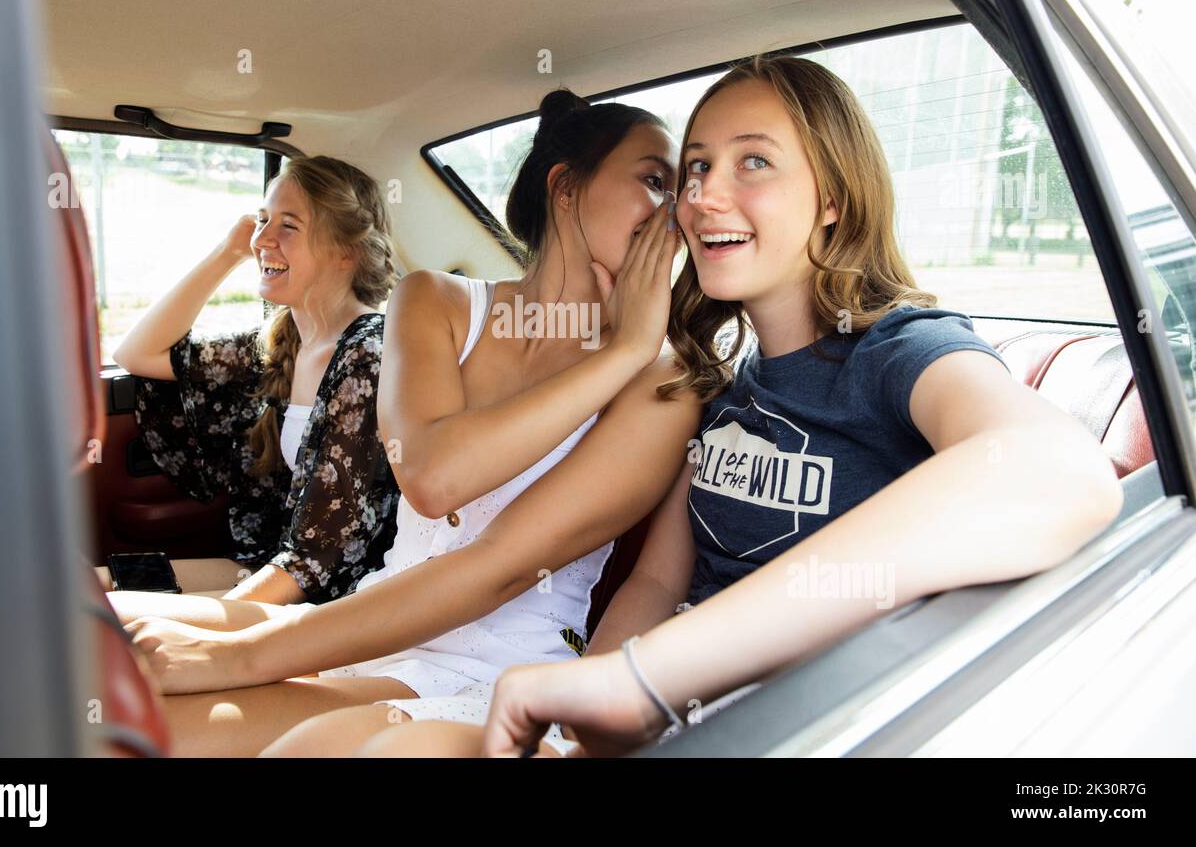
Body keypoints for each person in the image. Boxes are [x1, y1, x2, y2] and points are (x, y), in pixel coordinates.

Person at [352, 54, 1125, 758]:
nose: (701, 196)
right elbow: (654, 587)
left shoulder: (896, 352)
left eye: (752, 162)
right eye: (695, 168)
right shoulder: (732, 390)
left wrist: (645, 679)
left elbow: (1061, 473)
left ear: (832, 198)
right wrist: (574, 732)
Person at [124, 89, 706, 757]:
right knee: (104, 655)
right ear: (565, 188)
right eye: (655, 181)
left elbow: (490, 560)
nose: (678, 210)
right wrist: (247, 649)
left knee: (177, 728)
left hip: (495, 672)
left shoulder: (660, 383)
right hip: (375, 625)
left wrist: (244, 655)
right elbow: (430, 466)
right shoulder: (435, 299)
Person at [101, 155, 401, 622]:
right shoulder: (281, 344)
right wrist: (228, 252)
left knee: (104, 621)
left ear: (347, 252)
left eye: (289, 226)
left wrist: (195, 630)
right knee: (80, 589)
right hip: (261, 567)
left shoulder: (369, 355)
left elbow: (319, 559)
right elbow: (136, 353)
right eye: (261, 221)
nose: (262, 240)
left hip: (329, 602)